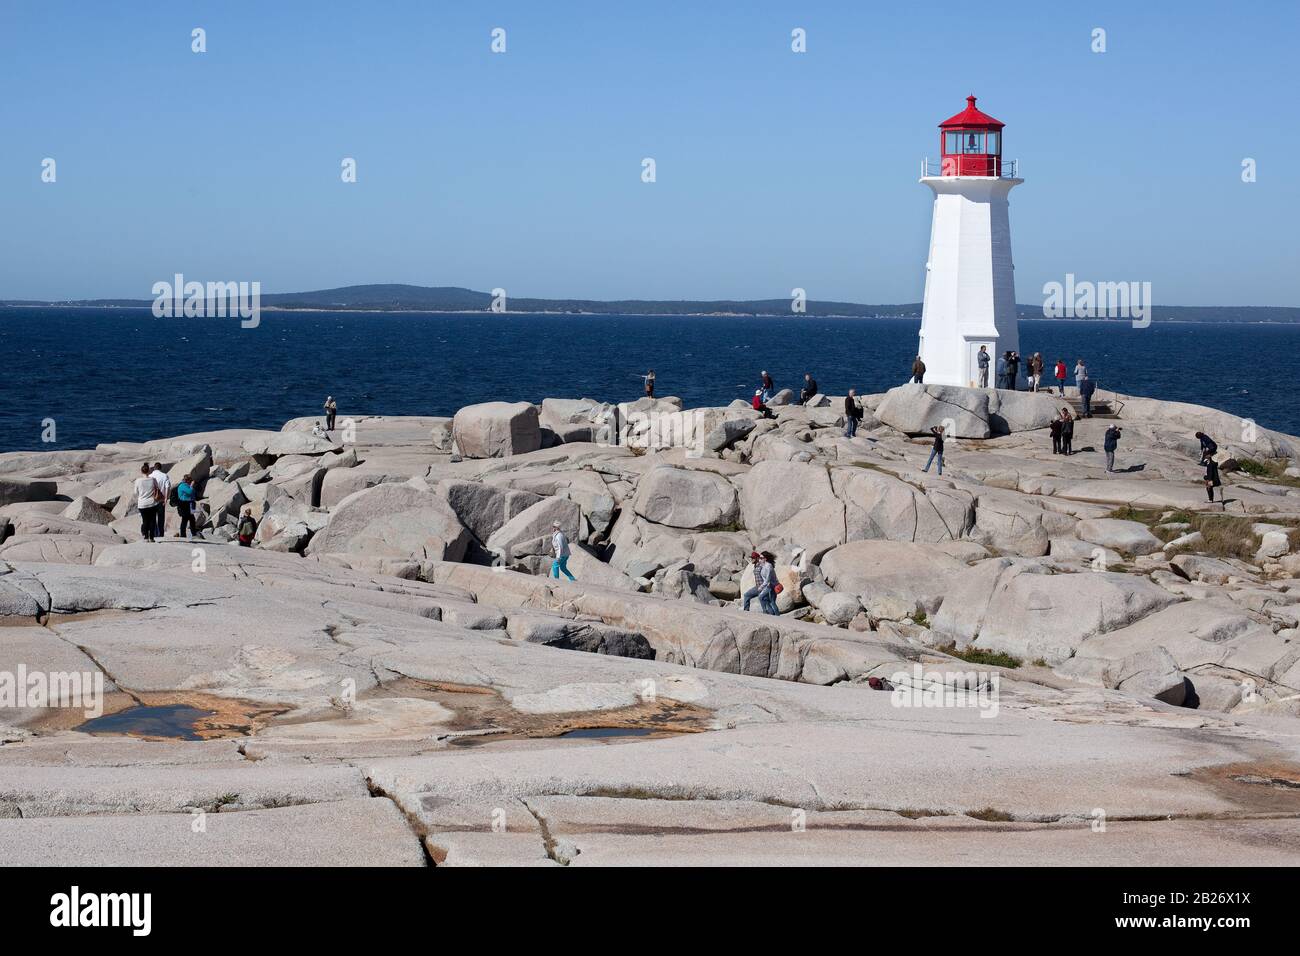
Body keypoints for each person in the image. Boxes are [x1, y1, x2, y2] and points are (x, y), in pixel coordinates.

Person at [134, 464, 161, 543]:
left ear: (141, 471)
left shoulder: (138, 481)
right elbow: (157, 488)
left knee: (145, 520)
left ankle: (146, 537)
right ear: (149, 471)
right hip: (152, 503)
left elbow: (135, 493)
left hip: (142, 503)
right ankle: (152, 537)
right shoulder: (153, 479)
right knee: (152, 520)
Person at [176, 472, 200, 540]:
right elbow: (189, 492)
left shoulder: (186, 485)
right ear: (187, 480)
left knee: (191, 519)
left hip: (190, 504)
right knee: (185, 519)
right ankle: (184, 534)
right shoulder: (182, 485)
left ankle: (192, 534)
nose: (191, 482)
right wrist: (192, 486)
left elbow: (193, 493)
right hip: (184, 505)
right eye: (190, 480)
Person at [149, 462, 170, 539]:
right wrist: (166, 498)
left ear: (154, 468)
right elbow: (167, 487)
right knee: (161, 517)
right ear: (161, 468)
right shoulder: (165, 476)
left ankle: (154, 533)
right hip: (161, 499)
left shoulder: (150, 476)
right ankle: (161, 533)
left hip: (152, 500)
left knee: (152, 517)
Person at [758, 551, 780, 615]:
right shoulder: (764, 565)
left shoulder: (769, 566)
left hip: (772, 586)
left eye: (761, 558)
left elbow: (767, 579)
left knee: (765, 599)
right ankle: (771, 613)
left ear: (765, 558)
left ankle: (774, 615)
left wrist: (761, 587)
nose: (760, 559)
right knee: (770, 601)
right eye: (759, 557)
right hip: (768, 586)